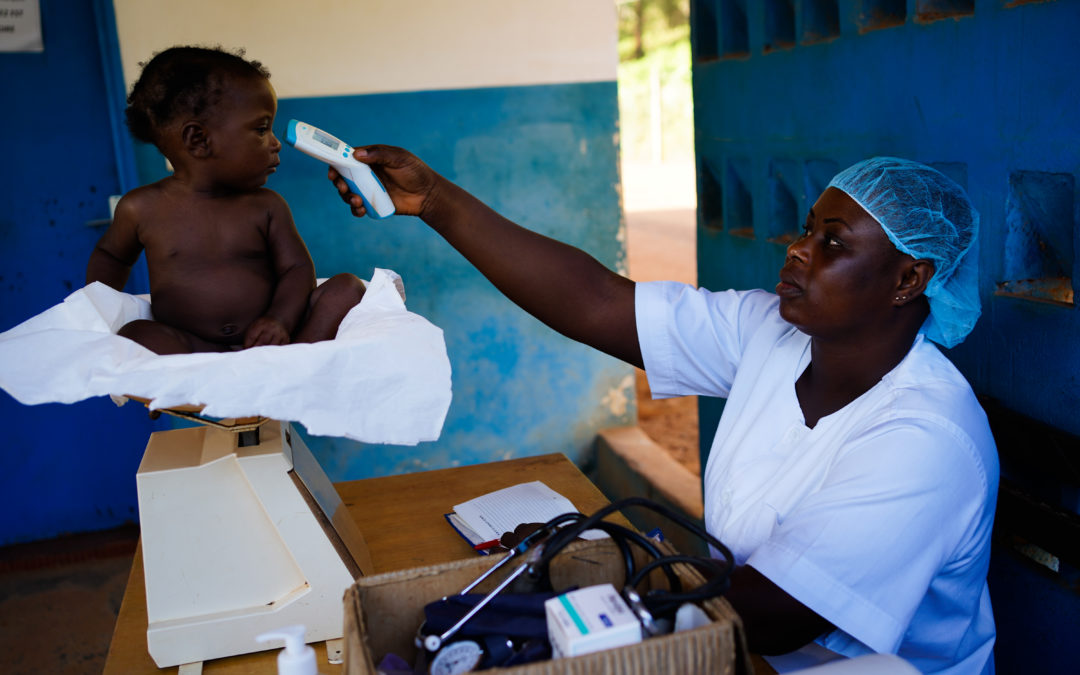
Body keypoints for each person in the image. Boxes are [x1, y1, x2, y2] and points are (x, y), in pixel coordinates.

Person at [329, 148, 998, 674]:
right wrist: (436, 200)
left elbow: (775, 616)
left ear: (909, 279)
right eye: (806, 230)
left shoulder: (927, 438)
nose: (796, 249)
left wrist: (571, 586)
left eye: (833, 242)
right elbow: (596, 302)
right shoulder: (772, 335)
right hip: (727, 642)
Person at [87, 46, 365, 355]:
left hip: (276, 343)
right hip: (192, 348)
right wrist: (98, 314)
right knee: (133, 333)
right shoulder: (140, 208)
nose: (275, 143)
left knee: (347, 288)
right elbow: (111, 257)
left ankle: (291, 364)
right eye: (261, 129)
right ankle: (216, 384)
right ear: (198, 140)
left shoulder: (267, 206)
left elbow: (297, 270)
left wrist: (279, 320)